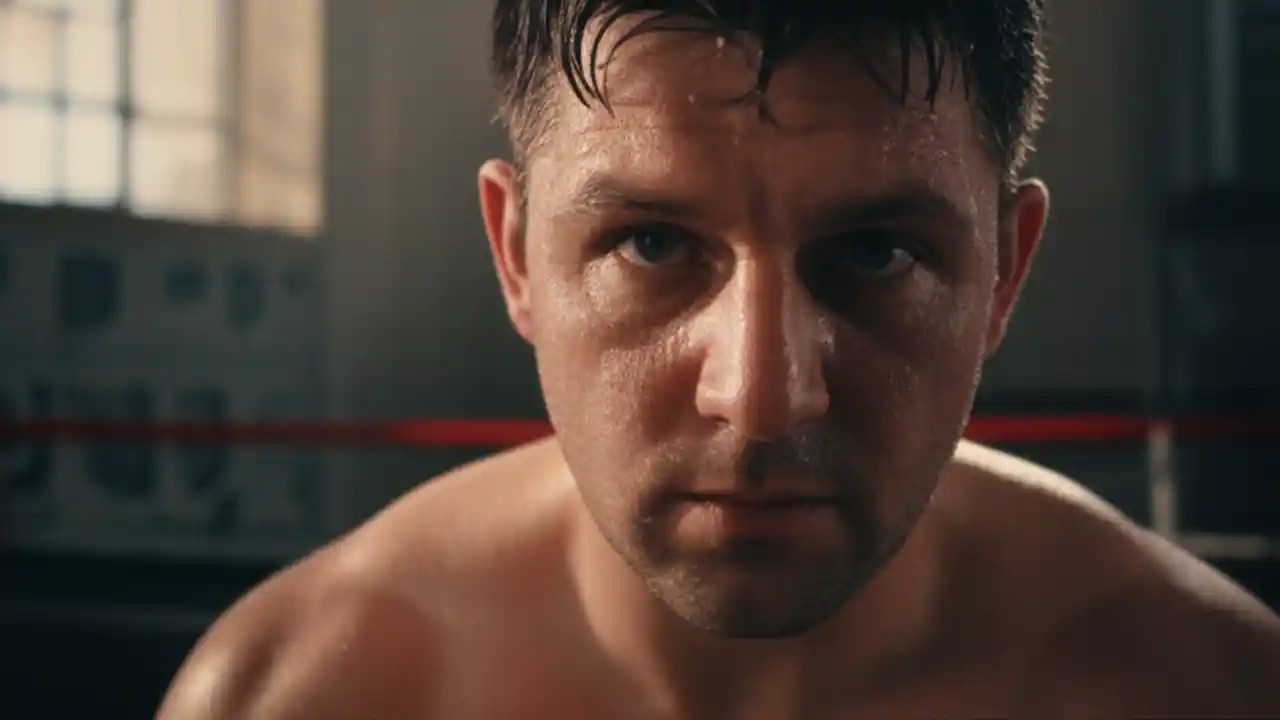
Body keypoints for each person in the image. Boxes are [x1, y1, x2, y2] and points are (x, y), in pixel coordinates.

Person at [159, 2, 1280, 717]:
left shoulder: (1208, 687)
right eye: (650, 244)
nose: (759, 397)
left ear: (1004, 270)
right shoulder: (301, 693)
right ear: (516, 255)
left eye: (876, 252)